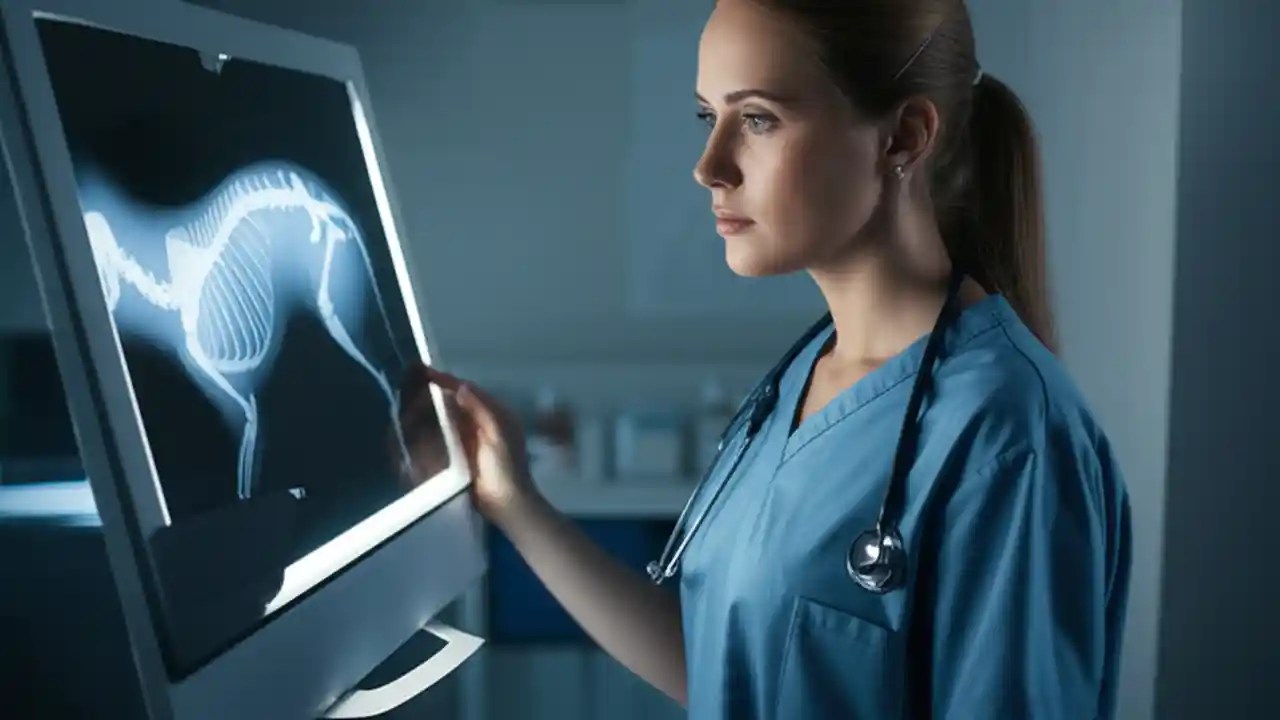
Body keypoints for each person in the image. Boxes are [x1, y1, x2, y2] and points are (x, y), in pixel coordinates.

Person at [400, 0, 1132, 717]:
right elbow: (728, 667)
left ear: (903, 138)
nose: (709, 167)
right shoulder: (805, 373)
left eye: (757, 119)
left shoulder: (1008, 437)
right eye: (707, 117)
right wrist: (515, 502)